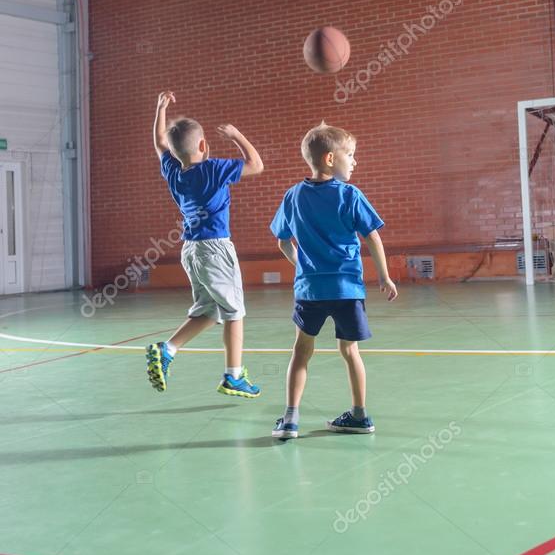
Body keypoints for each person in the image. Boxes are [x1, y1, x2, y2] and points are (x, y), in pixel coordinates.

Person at [269, 122, 397, 439]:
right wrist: (384, 275)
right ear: (329, 159)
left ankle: (289, 420)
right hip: (347, 289)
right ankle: (359, 416)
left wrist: (300, 265)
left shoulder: (293, 196)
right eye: (350, 155)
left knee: (301, 352)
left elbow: (283, 241)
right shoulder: (350, 195)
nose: (354, 161)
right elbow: (372, 237)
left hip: (310, 290)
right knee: (350, 351)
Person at [146, 90, 263, 398]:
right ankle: (233, 376)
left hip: (191, 250)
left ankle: (167, 349)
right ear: (203, 145)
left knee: (209, 311)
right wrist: (237, 135)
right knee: (234, 312)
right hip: (215, 248)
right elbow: (256, 165)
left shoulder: (173, 171)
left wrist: (160, 108)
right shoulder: (214, 169)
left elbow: (159, 142)